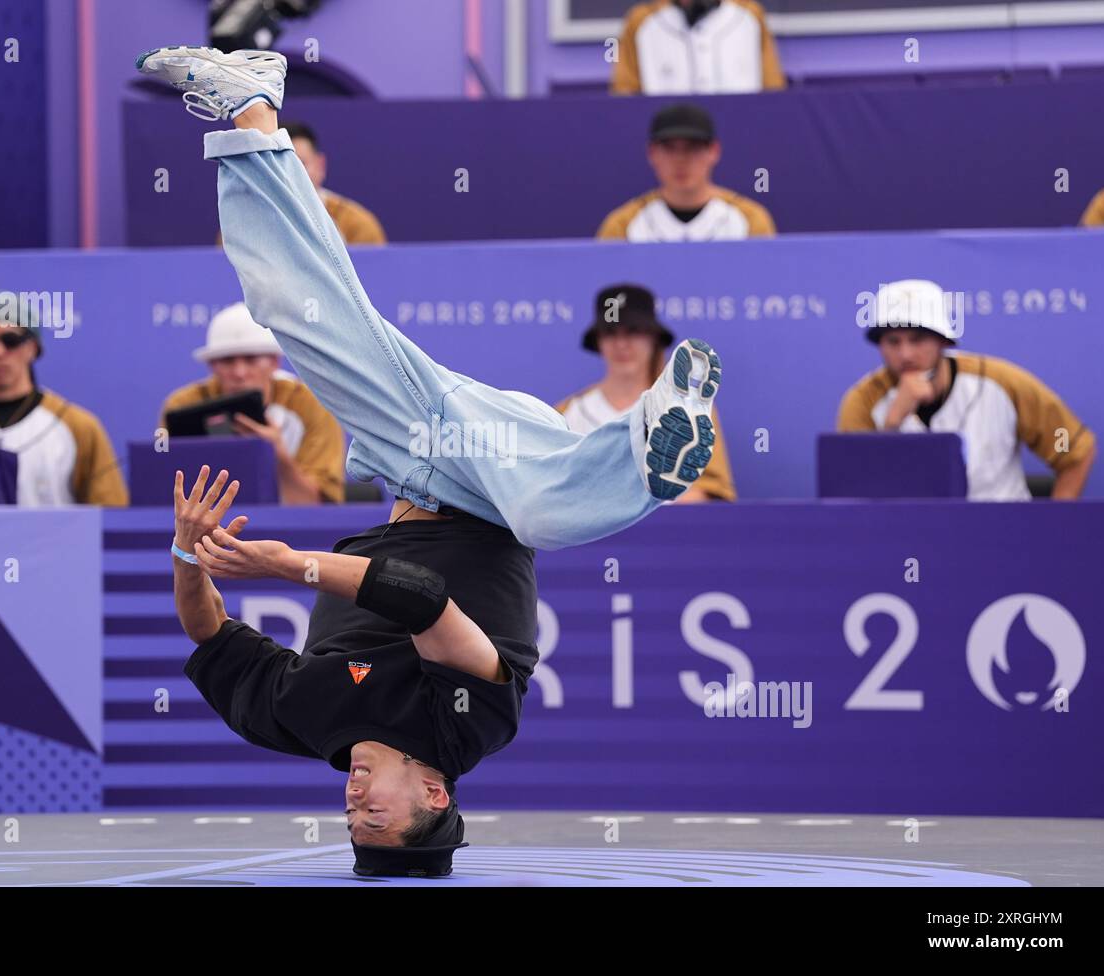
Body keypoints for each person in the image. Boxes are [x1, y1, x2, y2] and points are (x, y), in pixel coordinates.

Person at [137, 45, 724, 876]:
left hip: (419, 469)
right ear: (435, 796)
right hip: (484, 479)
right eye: (381, 821)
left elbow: (210, 638)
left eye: (353, 831)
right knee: (544, 512)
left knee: (303, 312)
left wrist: (188, 556)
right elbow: (422, 600)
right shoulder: (466, 728)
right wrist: (288, 566)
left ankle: (256, 114)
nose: (355, 811)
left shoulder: (307, 723)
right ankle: (641, 455)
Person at [838, 279, 1096, 501]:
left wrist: (1054, 528)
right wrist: (891, 425)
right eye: (893, 342)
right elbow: (853, 491)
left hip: (1002, 535)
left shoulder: (1002, 382)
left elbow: (1071, 448)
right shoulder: (863, 401)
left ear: (942, 341)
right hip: (911, 537)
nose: (905, 354)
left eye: (917, 340)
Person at [0, 298, 128, 507]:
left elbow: (110, 515)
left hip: (56, 540)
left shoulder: (79, 427)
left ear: (32, 348)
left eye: (10, 340)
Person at [556, 283, 735, 502]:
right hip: (589, 533)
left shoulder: (691, 406)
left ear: (653, 338)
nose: (621, 344)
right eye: (610, 333)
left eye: (633, 331)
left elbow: (712, 494)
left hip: (667, 533)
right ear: (598, 341)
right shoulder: (567, 412)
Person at [160, 302, 346, 504]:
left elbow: (314, 507)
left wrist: (277, 454)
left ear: (274, 361)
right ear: (212, 365)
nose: (240, 373)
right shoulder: (181, 405)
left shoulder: (314, 405)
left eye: (251, 359)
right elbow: (163, 491)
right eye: (228, 360)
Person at [597, 103, 774, 242]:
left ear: (714, 151)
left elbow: (767, 283)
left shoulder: (750, 219)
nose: (680, 160)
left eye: (693, 148)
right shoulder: (622, 224)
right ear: (652, 154)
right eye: (669, 149)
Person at [611, 0, 785, 96]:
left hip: (742, 134)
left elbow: (774, 92)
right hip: (670, 144)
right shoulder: (640, 21)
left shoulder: (750, 15)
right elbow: (624, 96)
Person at [282, 121, 387, 245]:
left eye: (301, 164)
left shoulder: (357, 226)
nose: (288, 173)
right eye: (278, 166)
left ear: (320, 165)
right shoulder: (254, 224)